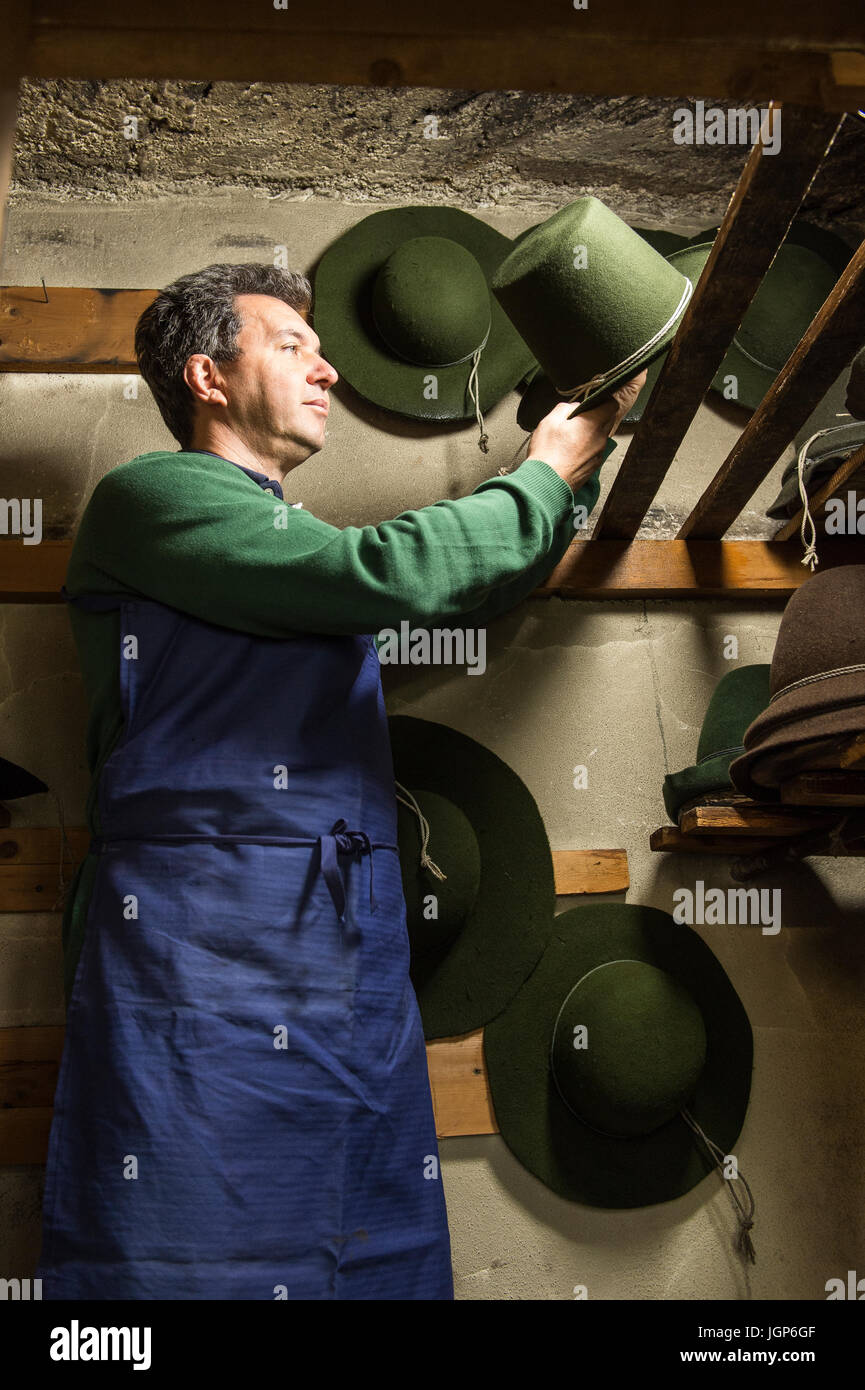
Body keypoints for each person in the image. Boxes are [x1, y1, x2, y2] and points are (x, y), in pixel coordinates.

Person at [35, 262, 645, 1301]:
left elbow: (447, 582)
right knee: (188, 1245)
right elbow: (383, 576)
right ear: (206, 374)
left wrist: (567, 470)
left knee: (372, 1253)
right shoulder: (153, 498)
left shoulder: (280, 543)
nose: (326, 367)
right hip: (206, 943)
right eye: (291, 345)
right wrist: (538, 475)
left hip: (344, 947)